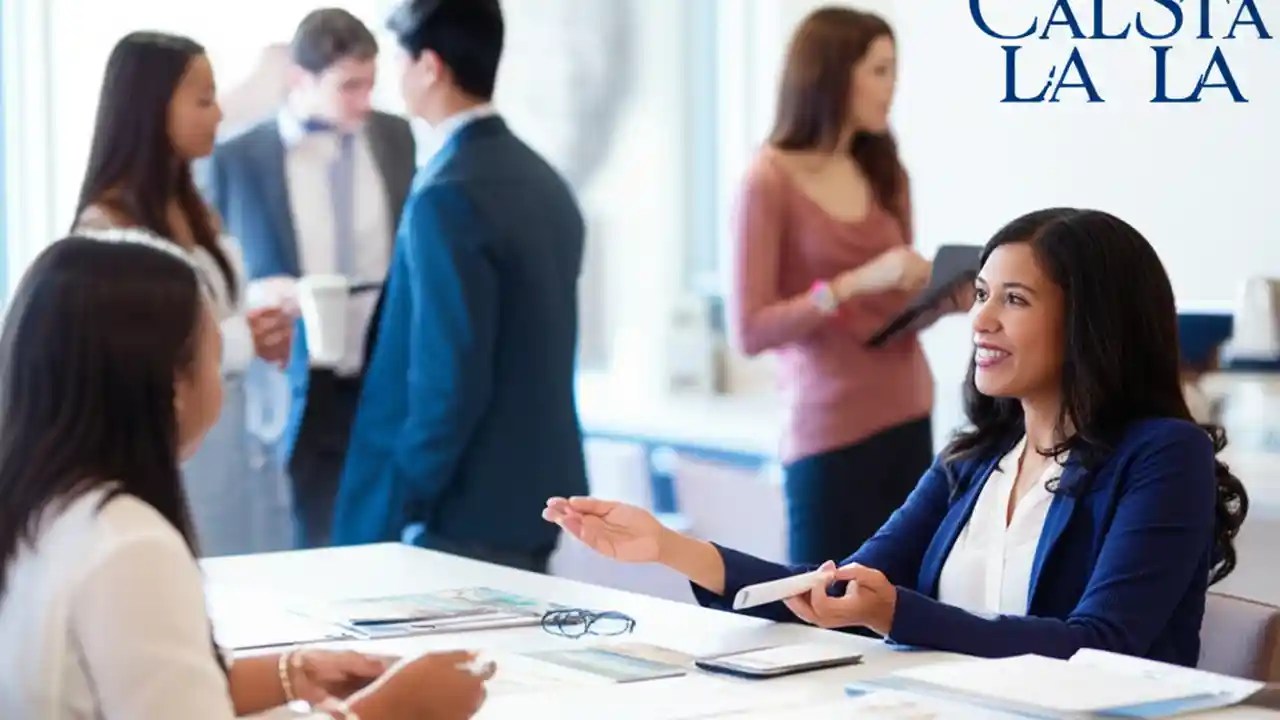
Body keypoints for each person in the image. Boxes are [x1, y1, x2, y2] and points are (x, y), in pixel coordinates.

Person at [546, 207, 1250, 667]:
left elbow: (1101, 647)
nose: (979, 321)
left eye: (1014, 300)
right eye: (979, 295)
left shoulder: (1161, 456)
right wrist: (670, 549)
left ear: (1092, 323)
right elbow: (840, 593)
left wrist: (896, 612)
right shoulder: (974, 462)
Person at [0, 236, 493, 719]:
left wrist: (291, 672)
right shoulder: (129, 547)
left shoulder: (45, 510)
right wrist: (397, 708)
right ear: (173, 386)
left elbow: (142, 684)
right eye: (214, 358)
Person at [332, 0, 588, 574]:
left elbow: (447, 379)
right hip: (536, 497)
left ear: (429, 66)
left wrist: (403, 499)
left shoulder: (446, 195)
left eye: (399, 61)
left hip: (462, 507)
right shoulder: (545, 182)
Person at [729, 7, 971, 567]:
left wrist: (942, 300)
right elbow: (750, 329)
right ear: (836, 74)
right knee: (821, 608)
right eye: (881, 70)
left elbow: (890, 317)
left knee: (904, 607)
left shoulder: (887, 171)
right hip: (828, 432)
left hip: (908, 415)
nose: (893, 87)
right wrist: (849, 284)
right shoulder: (767, 182)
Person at [73, 31, 295, 556]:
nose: (218, 114)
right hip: (174, 459)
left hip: (238, 443)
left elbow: (218, 306)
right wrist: (241, 338)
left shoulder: (198, 209)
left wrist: (262, 327)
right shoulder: (106, 228)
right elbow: (137, 355)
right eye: (202, 100)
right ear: (150, 108)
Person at [202, 9, 417, 548]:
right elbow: (214, 276)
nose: (363, 101)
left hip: (382, 374)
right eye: (348, 87)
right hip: (295, 378)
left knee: (383, 538)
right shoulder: (237, 158)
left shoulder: (395, 138)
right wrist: (258, 295)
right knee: (304, 538)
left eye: (370, 84)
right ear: (300, 79)